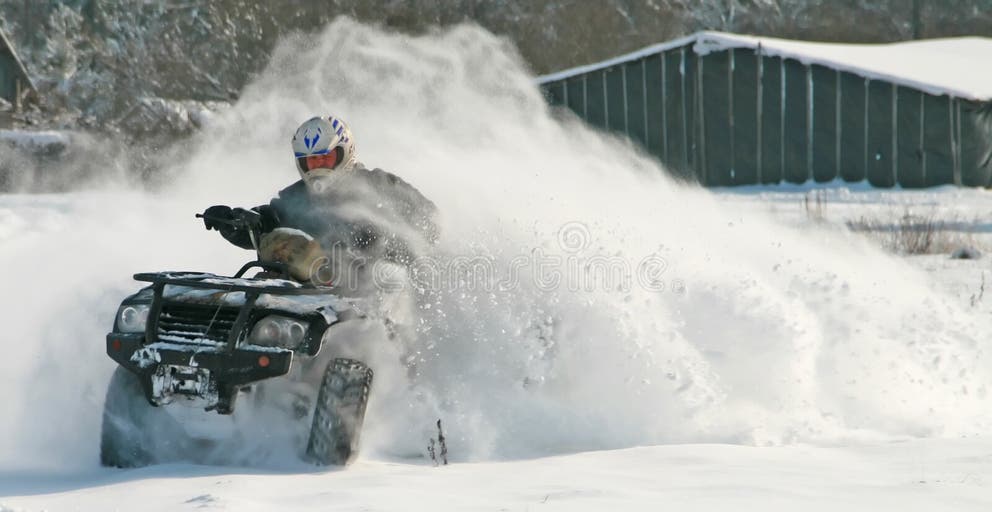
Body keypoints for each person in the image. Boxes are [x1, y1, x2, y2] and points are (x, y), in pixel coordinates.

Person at [202, 115, 438, 290]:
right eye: (311, 161)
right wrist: (235, 223)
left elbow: (430, 222)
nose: (318, 167)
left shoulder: (381, 185)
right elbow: (267, 223)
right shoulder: (295, 197)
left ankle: (385, 352)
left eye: (325, 158)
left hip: (377, 288)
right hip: (310, 294)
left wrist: (383, 239)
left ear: (345, 152)